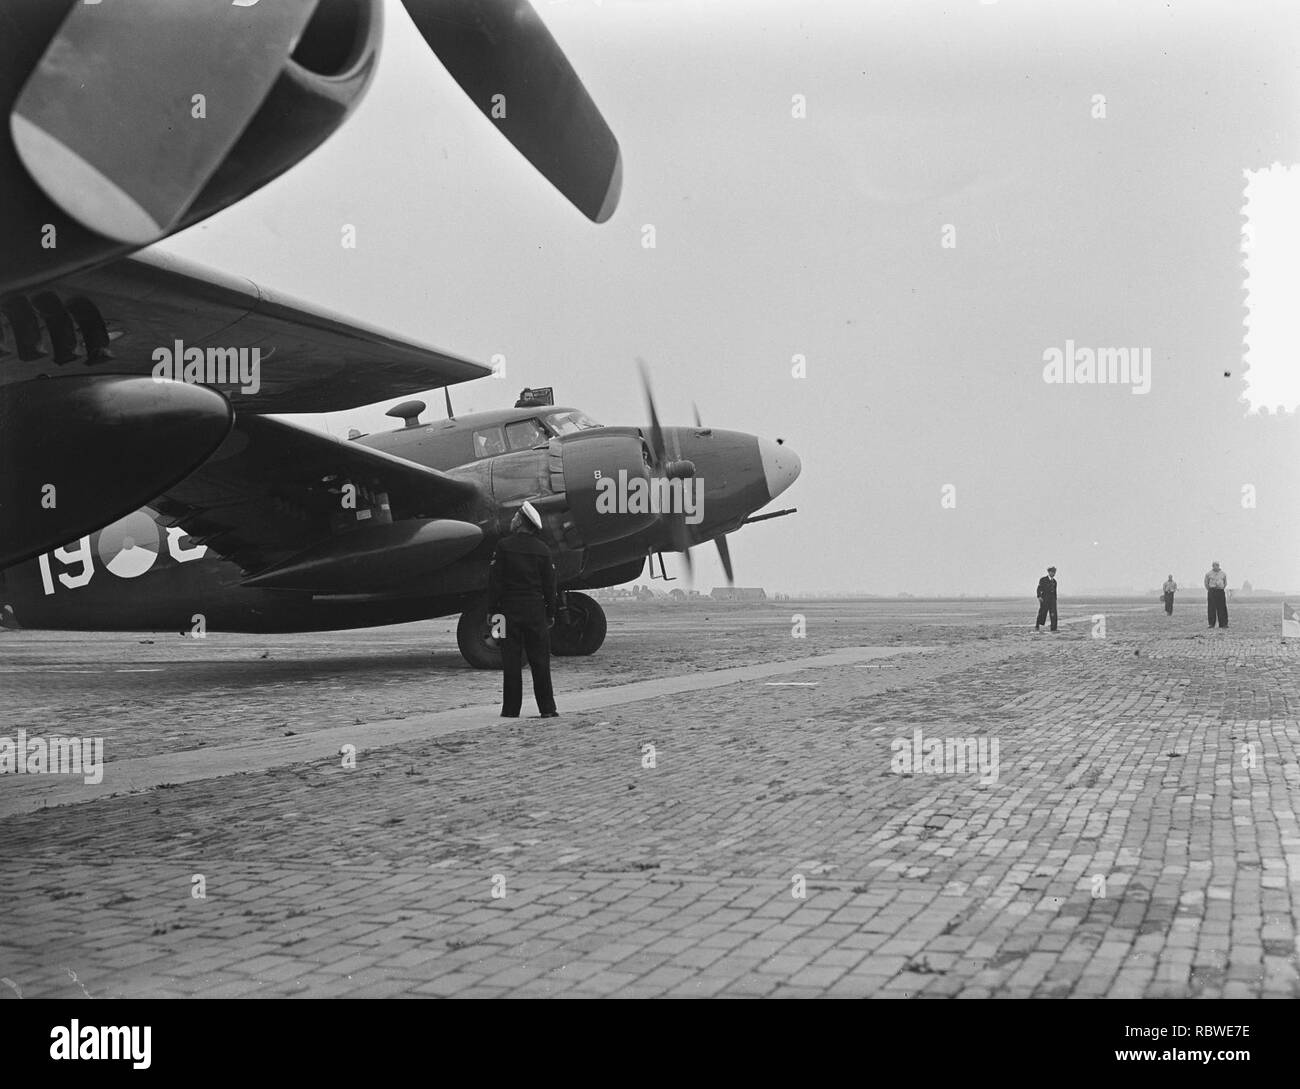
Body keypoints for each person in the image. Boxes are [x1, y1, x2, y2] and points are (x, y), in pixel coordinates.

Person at [487, 500, 559, 718]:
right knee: (540, 662)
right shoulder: (543, 550)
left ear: (521, 522)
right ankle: (547, 709)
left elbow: (495, 582)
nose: (512, 520)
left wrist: (492, 611)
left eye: (515, 517)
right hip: (536, 611)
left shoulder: (504, 546)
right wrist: (550, 613)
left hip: (508, 612)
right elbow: (550, 586)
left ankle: (510, 710)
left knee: (511, 662)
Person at [1204, 561, 1228, 629]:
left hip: (1220, 591)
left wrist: (1221, 588)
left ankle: (1223, 624)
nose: (1215, 566)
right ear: (1212, 566)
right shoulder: (1208, 574)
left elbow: (1225, 583)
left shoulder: (1223, 574)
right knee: (1211, 608)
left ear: (1219, 566)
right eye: (1214, 565)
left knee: (1222, 608)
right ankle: (1211, 624)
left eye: (1217, 565)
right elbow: (1206, 583)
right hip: (1212, 591)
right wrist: (1210, 589)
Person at [1035, 566, 1058, 632]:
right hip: (1044, 599)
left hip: (1052, 601)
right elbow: (1039, 588)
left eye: (1054, 572)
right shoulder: (1043, 579)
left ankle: (1054, 628)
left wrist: (1055, 600)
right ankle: (1038, 626)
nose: (1053, 573)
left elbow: (1055, 592)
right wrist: (1039, 596)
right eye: (1052, 572)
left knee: (1053, 614)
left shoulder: (1054, 581)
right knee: (1042, 613)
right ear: (1049, 572)